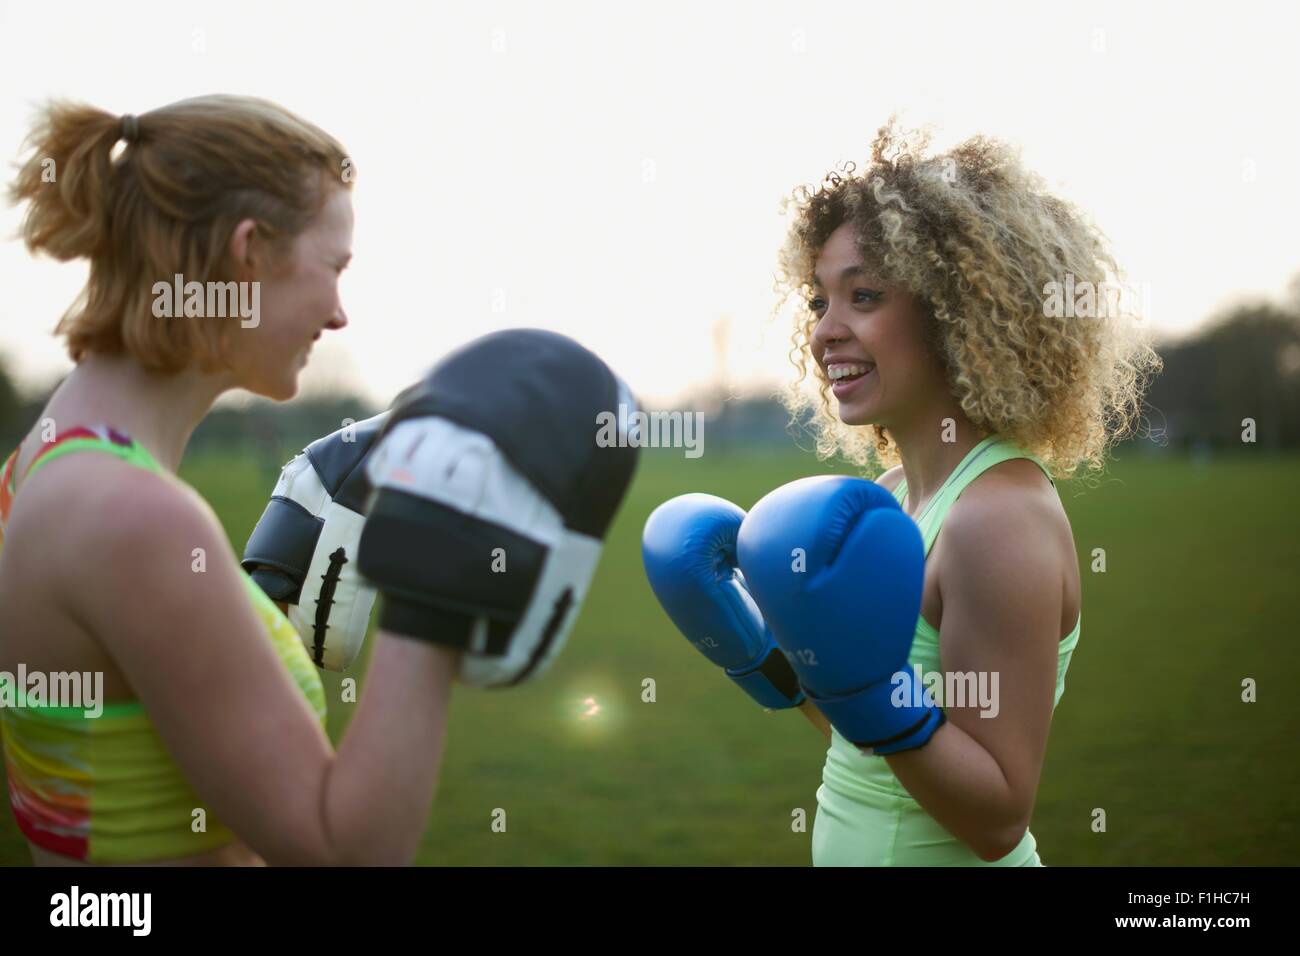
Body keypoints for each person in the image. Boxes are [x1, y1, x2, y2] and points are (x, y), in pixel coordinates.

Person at [0, 96, 636, 866]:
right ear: (249, 252)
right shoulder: (131, 513)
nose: (338, 314)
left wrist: (254, 637)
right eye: (333, 267)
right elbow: (343, 852)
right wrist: (428, 590)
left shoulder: (41, 464)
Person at [647, 119, 1159, 865]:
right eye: (819, 301)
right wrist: (767, 659)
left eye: (864, 296)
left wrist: (871, 688)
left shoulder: (998, 517)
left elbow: (996, 816)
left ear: (957, 313)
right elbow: (876, 749)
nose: (826, 331)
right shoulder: (891, 496)